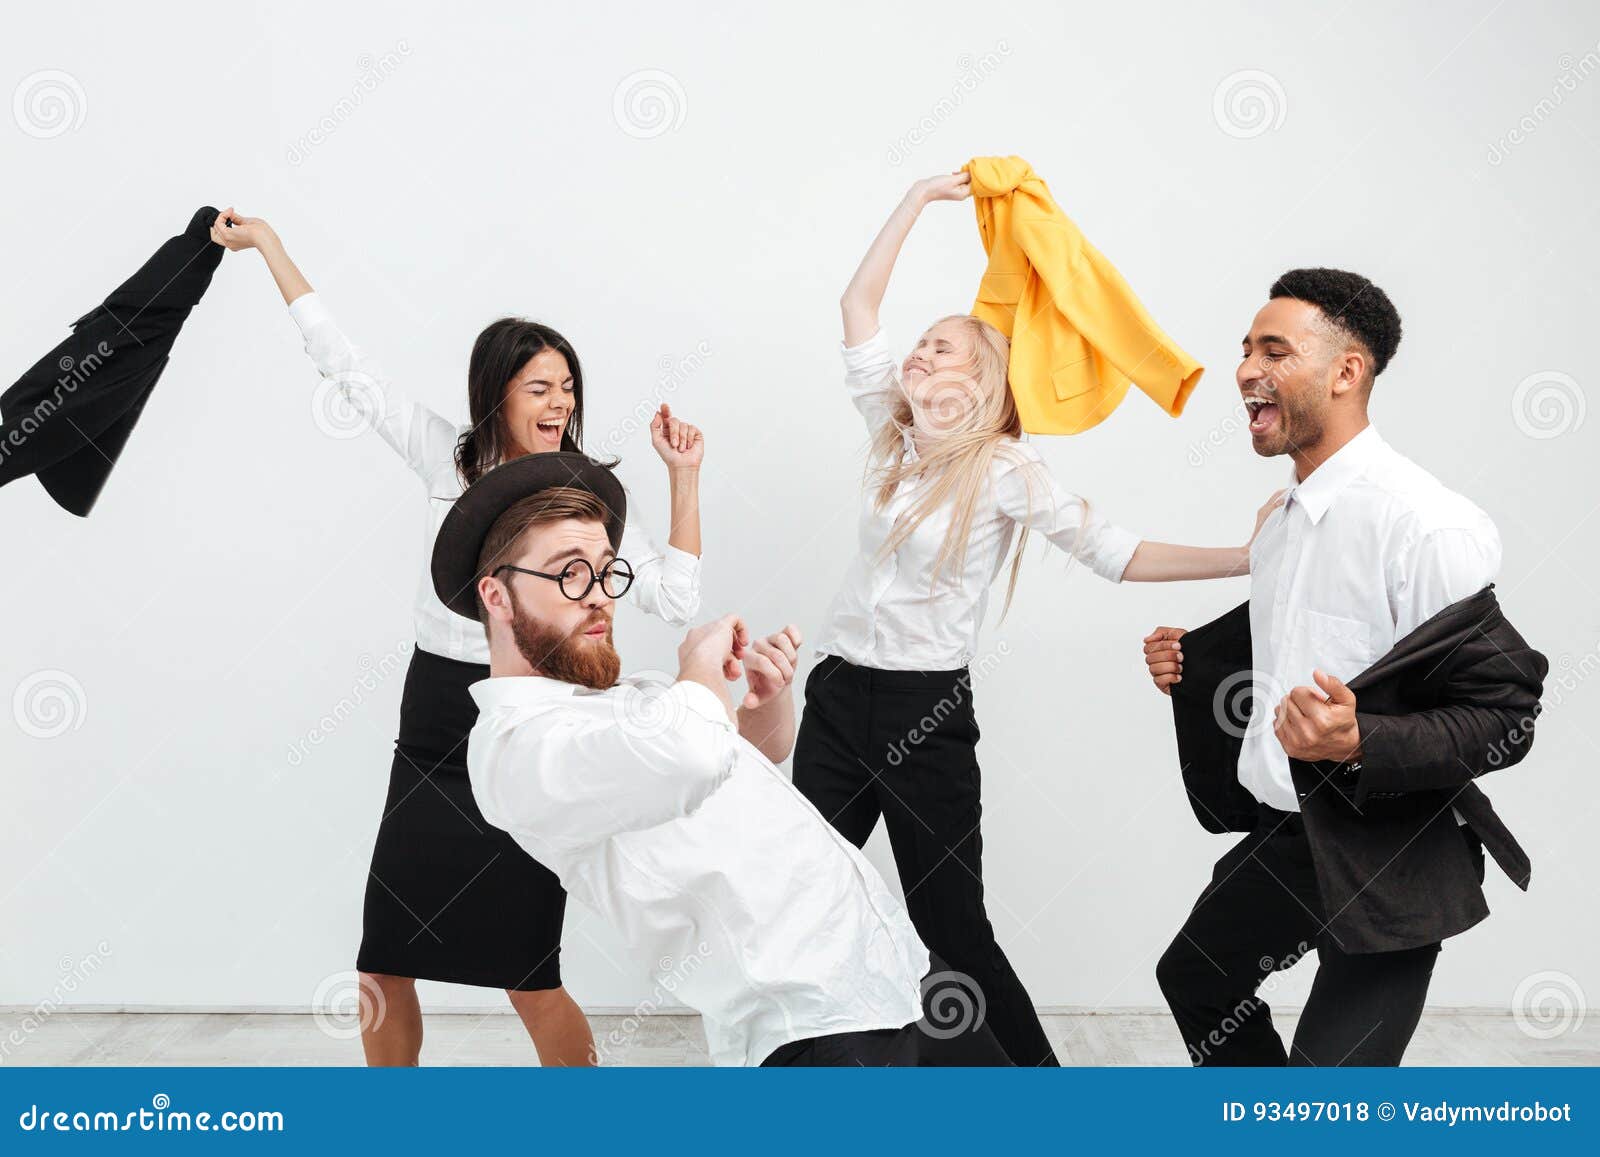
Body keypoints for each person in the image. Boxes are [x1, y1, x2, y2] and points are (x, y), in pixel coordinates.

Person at [792, 171, 1281, 1067]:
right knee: (795, 892)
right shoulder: (892, 437)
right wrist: (916, 199)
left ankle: (1042, 1097)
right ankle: (826, 1079)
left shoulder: (1009, 471)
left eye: (940, 349)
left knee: (952, 926)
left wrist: (1250, 557)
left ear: (980, 377)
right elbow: (858, 302)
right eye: (922, 346)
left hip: (920, 715)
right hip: (834, 698)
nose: (918, 357)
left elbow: (1119, 553)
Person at [212, 210, 706, 1066]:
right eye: (541, 387)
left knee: (528, 972)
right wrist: (271, 249)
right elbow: (347, 365)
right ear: (498, 395)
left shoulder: (580, 500)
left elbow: (677, 595)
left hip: (531, 725)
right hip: (437, 718)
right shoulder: (451, 461)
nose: (562, 404)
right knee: (383, 961)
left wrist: (684, 478)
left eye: (568, 387)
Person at [434, 454, 1012, 1065]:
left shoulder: (637, 697)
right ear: (497, 595)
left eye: (607, 573)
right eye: (570, 575)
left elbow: (732, 766)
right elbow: (692, 758)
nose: (601, 598)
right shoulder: (516, 750)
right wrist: (702, 664)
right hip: (818, 1028)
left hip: (897, 967)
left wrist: (764, 705)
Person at [1142, 268, 1547, 1066]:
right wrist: (1191, 665)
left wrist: (1360, 738)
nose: (1246, 369)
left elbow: (1506, 715)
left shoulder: (1426, 525)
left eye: (1274, 350)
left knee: (1330, 1111)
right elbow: (1297, 643)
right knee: (1197, 976)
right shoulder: (1284, 523)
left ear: (1346, 371)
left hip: (1390, 854)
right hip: (1292, 838)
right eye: (1245, 350)